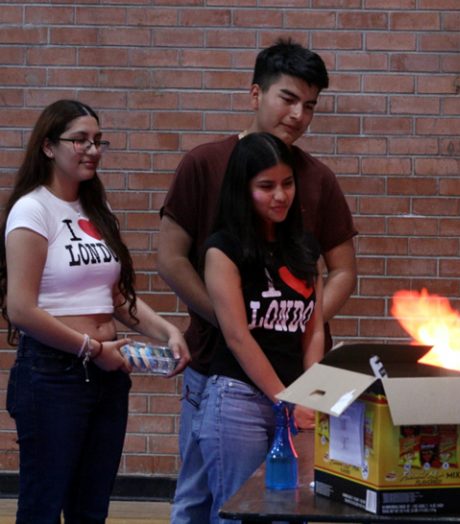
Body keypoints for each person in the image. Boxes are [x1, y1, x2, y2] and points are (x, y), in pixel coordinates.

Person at [158, 39, 357, 522]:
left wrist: (300, 319)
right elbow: (170, 258)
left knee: (294, 497)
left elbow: (343, 270)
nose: (298, 115)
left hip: (297, 370)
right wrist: (233, 320)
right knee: (204, 495)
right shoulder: (205, 163)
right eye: (287, 99)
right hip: (219, 365)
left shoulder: (318, 178)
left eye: (309, 106)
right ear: (256, 94)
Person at [0, 99, 190, 523]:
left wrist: (167, 332)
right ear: (48, 147)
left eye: (98, 141)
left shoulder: (94, 211)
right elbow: (21, 309)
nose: (92, 150)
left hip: (105, 376)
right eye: (80, 140)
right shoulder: (32, 210)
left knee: (91, 510)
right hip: (53, 376)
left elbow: (117, 298)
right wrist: (90, 348)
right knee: (42, 508)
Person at [197, 132, 325, 522]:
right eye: (266, 186)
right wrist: (286, 401)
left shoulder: (304, 247)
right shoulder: (223, 249)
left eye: (287, 184)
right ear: (243, 189)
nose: (280, 196)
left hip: (295, 402)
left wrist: (312, 396)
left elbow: (314, 329)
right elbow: (237, 336)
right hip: (239, 401)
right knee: (241, 515)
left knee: (297, 512)